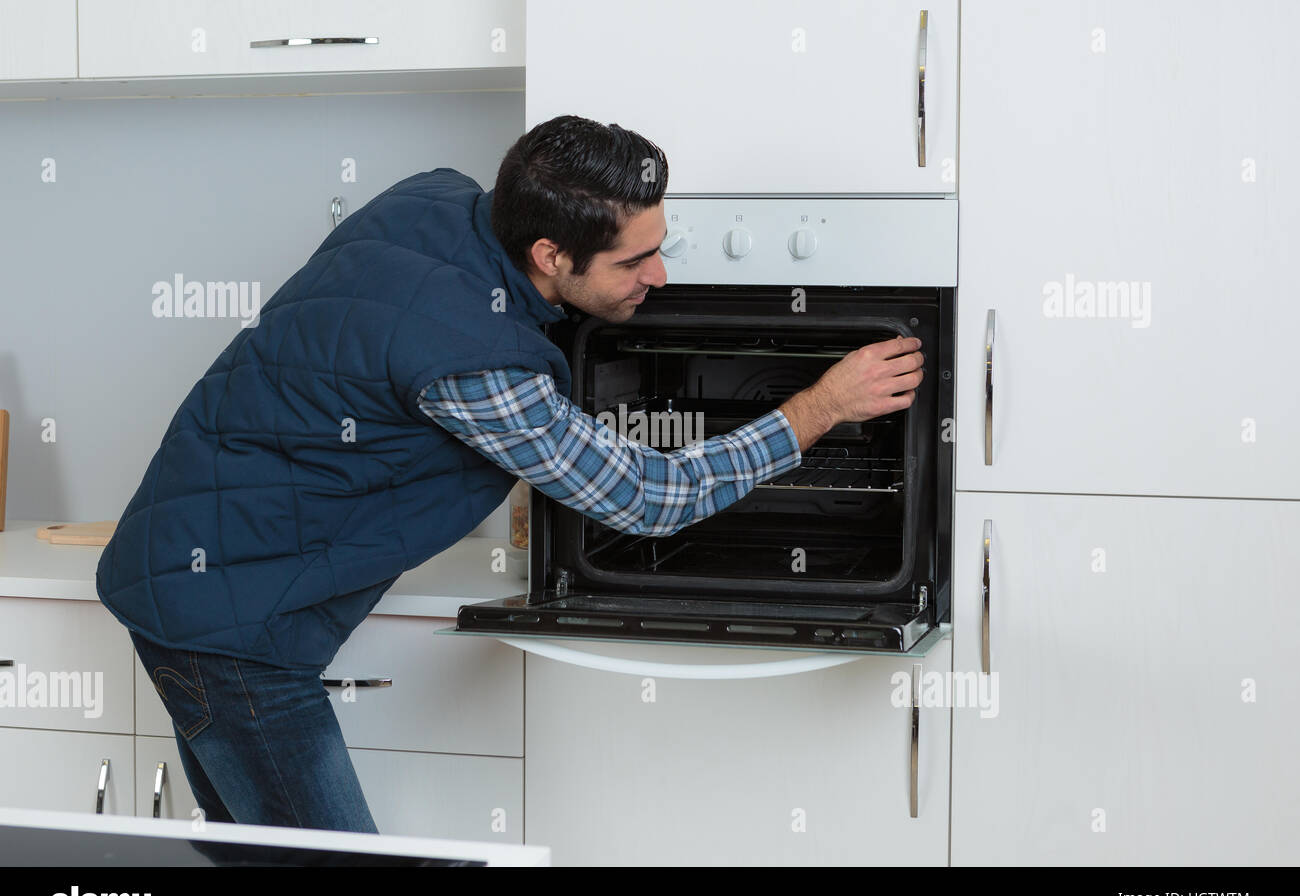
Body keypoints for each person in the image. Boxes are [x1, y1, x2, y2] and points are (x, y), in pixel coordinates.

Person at [95, 115, 924, 833]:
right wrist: (819, 408)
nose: (660, 277)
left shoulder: (433, 197)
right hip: (228, 623)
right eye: (634, 263)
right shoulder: (475, 368)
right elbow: (648, 495)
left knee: (248, 851)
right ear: (549, 252)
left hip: (197, 567)